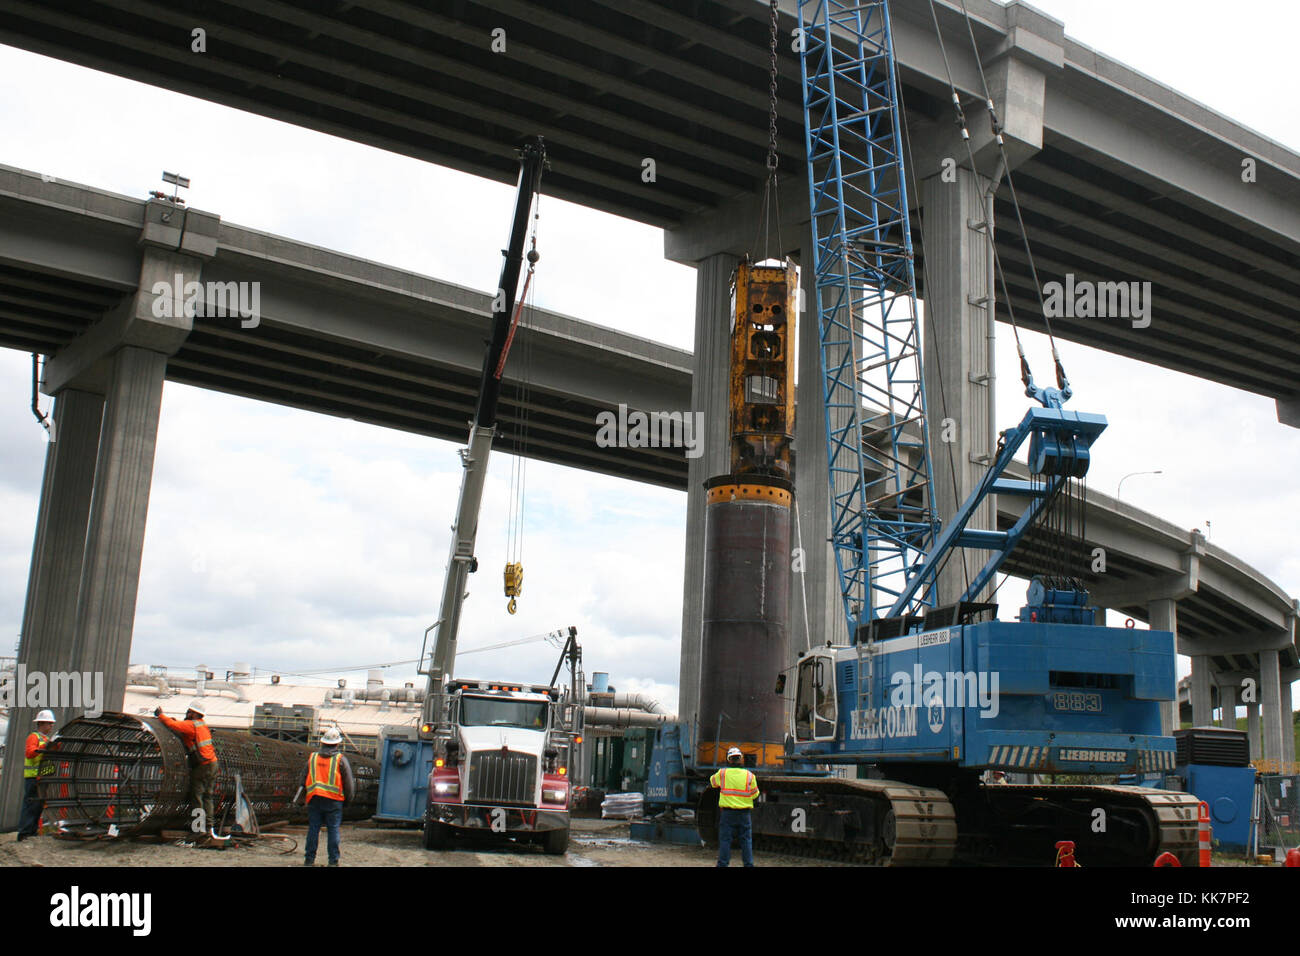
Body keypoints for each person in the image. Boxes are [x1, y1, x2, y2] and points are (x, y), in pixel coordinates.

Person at [154, 701, 220, 842]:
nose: (187, 713)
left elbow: (174, 726)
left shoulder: (191, 725)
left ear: (195, 713)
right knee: (208, 796)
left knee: (196, 796)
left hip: (203, 766)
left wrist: (161, 715)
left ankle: (198, 830)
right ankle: (209, 828)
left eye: (189, 711)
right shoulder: (201, 725)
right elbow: (179, 725)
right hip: (213, 764)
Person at [293, 726, 355, 866]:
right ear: (337, 744)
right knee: (333, 830)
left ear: (323, 742)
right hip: (334, 801)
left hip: (314, 799)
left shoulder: (312, 758)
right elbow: (349, 784)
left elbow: (303, 779)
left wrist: (301, 798)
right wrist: (347, 801)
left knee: (313, 829)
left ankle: (309, 860)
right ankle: (333, 861)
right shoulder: (340, 760)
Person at [709, 746, 760, 867]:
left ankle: (723, 864)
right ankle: (748, 864)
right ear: (741, 759)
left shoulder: (722, 773)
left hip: (728, 814)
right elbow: (755, 794)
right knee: (746, 841)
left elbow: (712, 782)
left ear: (729, 760)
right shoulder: (750, 776)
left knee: (725, 840)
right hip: (744, 814)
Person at [16, 710, 55, 841]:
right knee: (31, 806)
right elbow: (30, 753)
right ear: (42, 723)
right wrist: (45, 747)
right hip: (33, 777)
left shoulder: (46, 739)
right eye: (49, 724)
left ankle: (31, 832)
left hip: (42, 778)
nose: (51, 726)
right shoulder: (34, 737)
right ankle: (25, 833)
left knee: (37, 806)